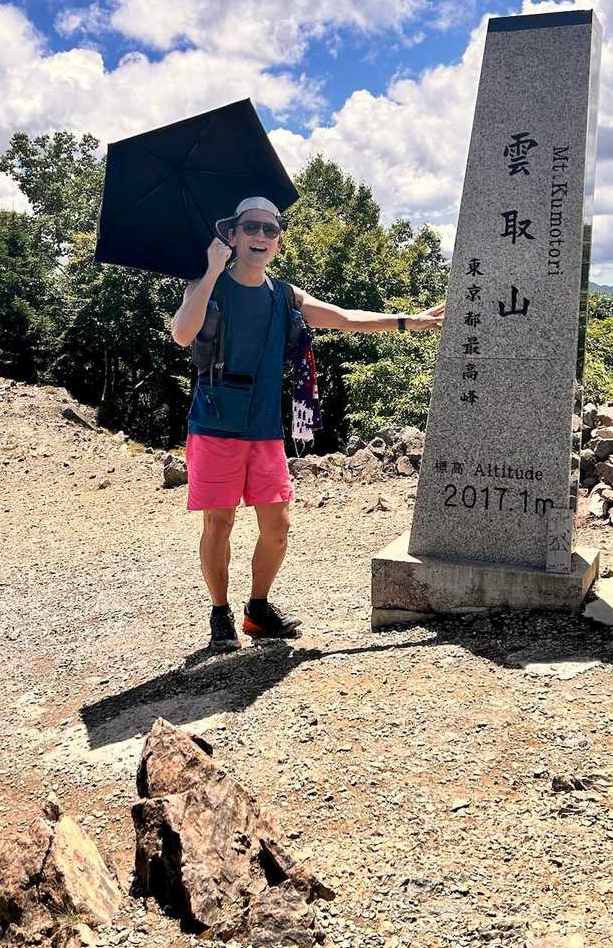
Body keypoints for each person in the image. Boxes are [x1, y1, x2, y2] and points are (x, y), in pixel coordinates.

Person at [171, 196, 445, 652]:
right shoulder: (207, 284)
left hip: (263, 428)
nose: (261, 236)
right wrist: (212, 272)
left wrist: (407, 321)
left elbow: (344, 318)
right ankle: (220, 613)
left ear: (278, 241)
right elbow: (183, 333)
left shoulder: (284, 295)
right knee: (218, 524)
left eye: (270, 230)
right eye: (251, 228)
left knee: (276, 525)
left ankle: (257, 609)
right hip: (215, 422)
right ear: (233, 235)